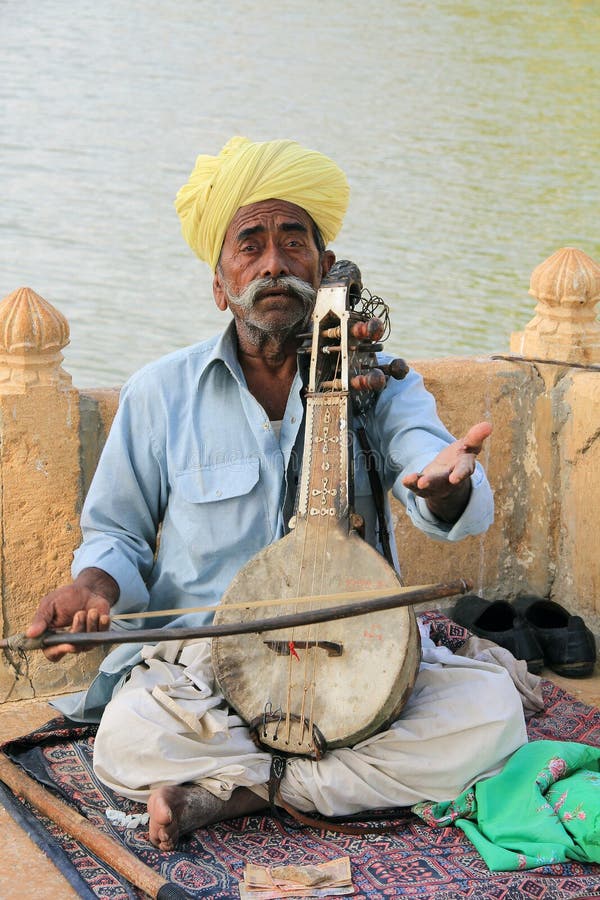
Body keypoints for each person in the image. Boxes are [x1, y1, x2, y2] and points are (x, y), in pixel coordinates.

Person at [27, 137, 527, 851]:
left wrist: (441, 486)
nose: (273, 263)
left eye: (294, 243)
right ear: (220, 284)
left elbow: (431, 465)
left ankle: (234, 795)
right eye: (250, 245)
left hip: (355, 652)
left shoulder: (378, 380)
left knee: (489, 713)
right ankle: (320, 779)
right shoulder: (159, 395)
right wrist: (93, 584)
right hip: (206, 664)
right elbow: (120, 534)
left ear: (323, 270)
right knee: (128, 740)